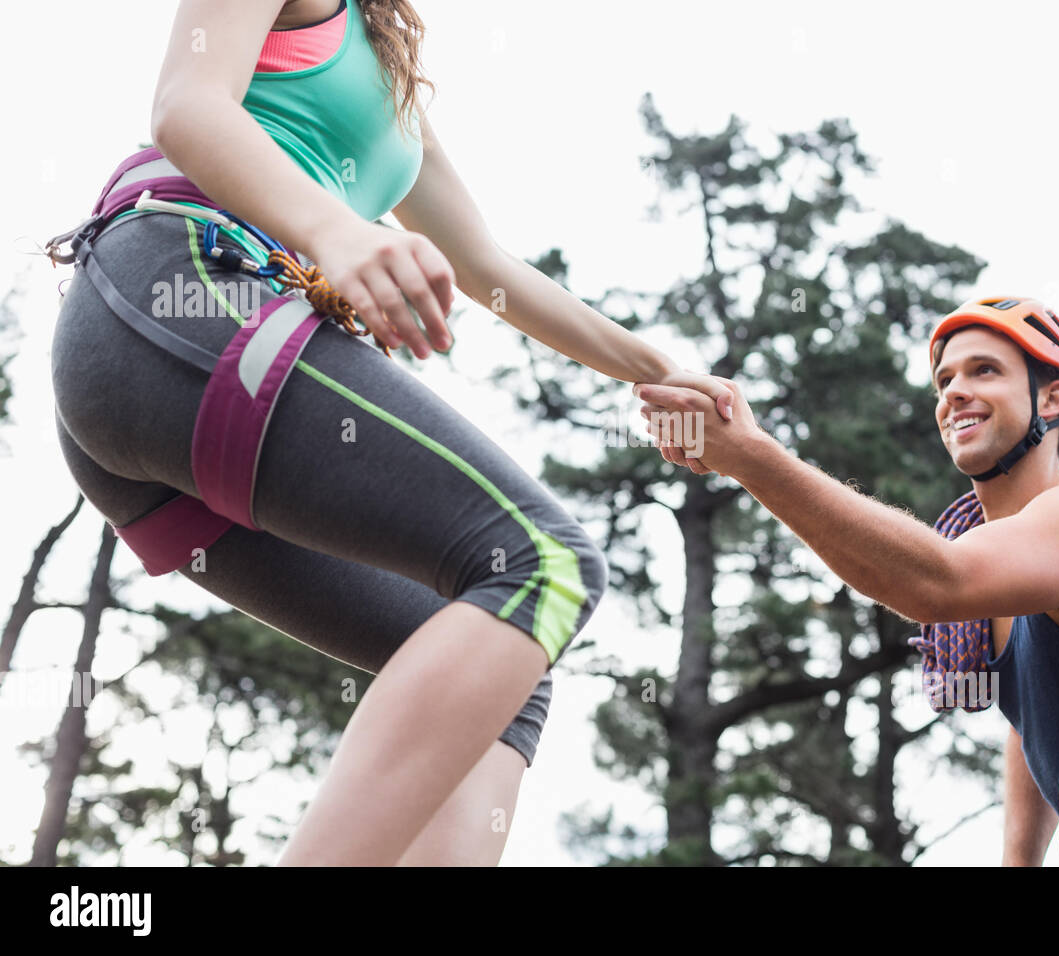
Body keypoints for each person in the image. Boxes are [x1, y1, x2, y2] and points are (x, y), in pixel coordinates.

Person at [45, 0, 731, 866]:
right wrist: (334, 229)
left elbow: (489, 269)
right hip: (177, 292)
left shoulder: (393, 84)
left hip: (185, 381)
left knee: (508, 682)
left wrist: (654, 371)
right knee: (540, 561)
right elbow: (187, 104)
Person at [634, 295, 1059, 866]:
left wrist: (752, 457)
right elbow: (1033, 715)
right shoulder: (1011, 574)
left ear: (1052, 397)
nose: (952, 392)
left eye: (984, 370)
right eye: (944, 379)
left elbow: (936, 583)